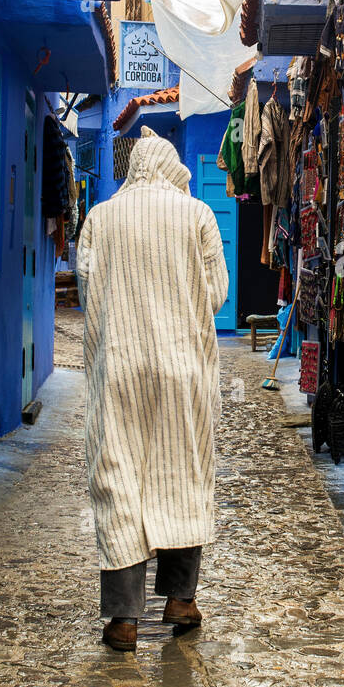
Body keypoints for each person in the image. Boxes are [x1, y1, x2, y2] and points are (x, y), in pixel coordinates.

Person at [76, 127, 229, 652]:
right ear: (169, 168)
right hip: (180, 368)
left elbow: (86, 282)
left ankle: (122, 620)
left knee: (118, 477)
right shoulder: (199, 216)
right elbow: (215, 294)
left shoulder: (100, 217)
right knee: (181, 471)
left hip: (118, 366)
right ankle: (180, 601)